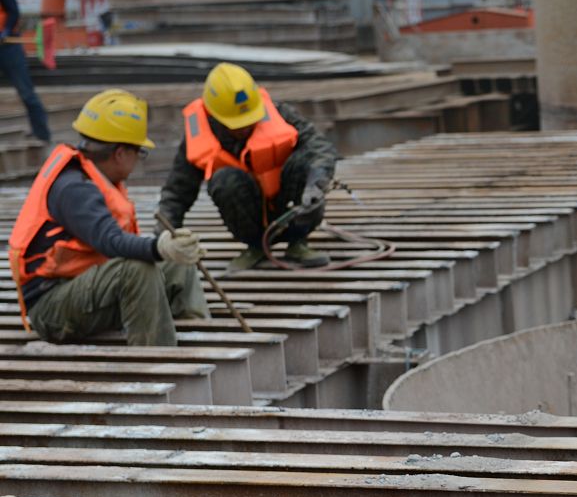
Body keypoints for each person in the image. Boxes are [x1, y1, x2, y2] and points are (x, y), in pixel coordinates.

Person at [8, 89, 210, 346]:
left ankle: (199, 342)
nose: (138, 160)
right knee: (136, 269)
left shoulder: (96, 178)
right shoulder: (74, 188)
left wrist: (171, 251)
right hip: (53, 308)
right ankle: (158, 361)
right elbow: (110, 241)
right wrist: (158, 247)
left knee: (177, 264)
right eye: (139, 152)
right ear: (120, 153)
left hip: (86, 289)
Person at [157, 62, 338, 273]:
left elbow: (319, 146)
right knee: (223, 180)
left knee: (306, 162)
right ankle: (256, 247)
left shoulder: (279, 114)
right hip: (248, 216)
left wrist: (316, 183)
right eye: (237, 124)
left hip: (290, 208)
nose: (244, 128)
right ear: (214, 115)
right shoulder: (199, 134)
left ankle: (298, 242)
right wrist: (163, 236)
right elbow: (177, 190)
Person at [0, 0, 51, 143]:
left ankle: (42, 135)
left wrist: (6, 31)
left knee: (27, 93)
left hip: (8, 46)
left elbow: (13, 11)